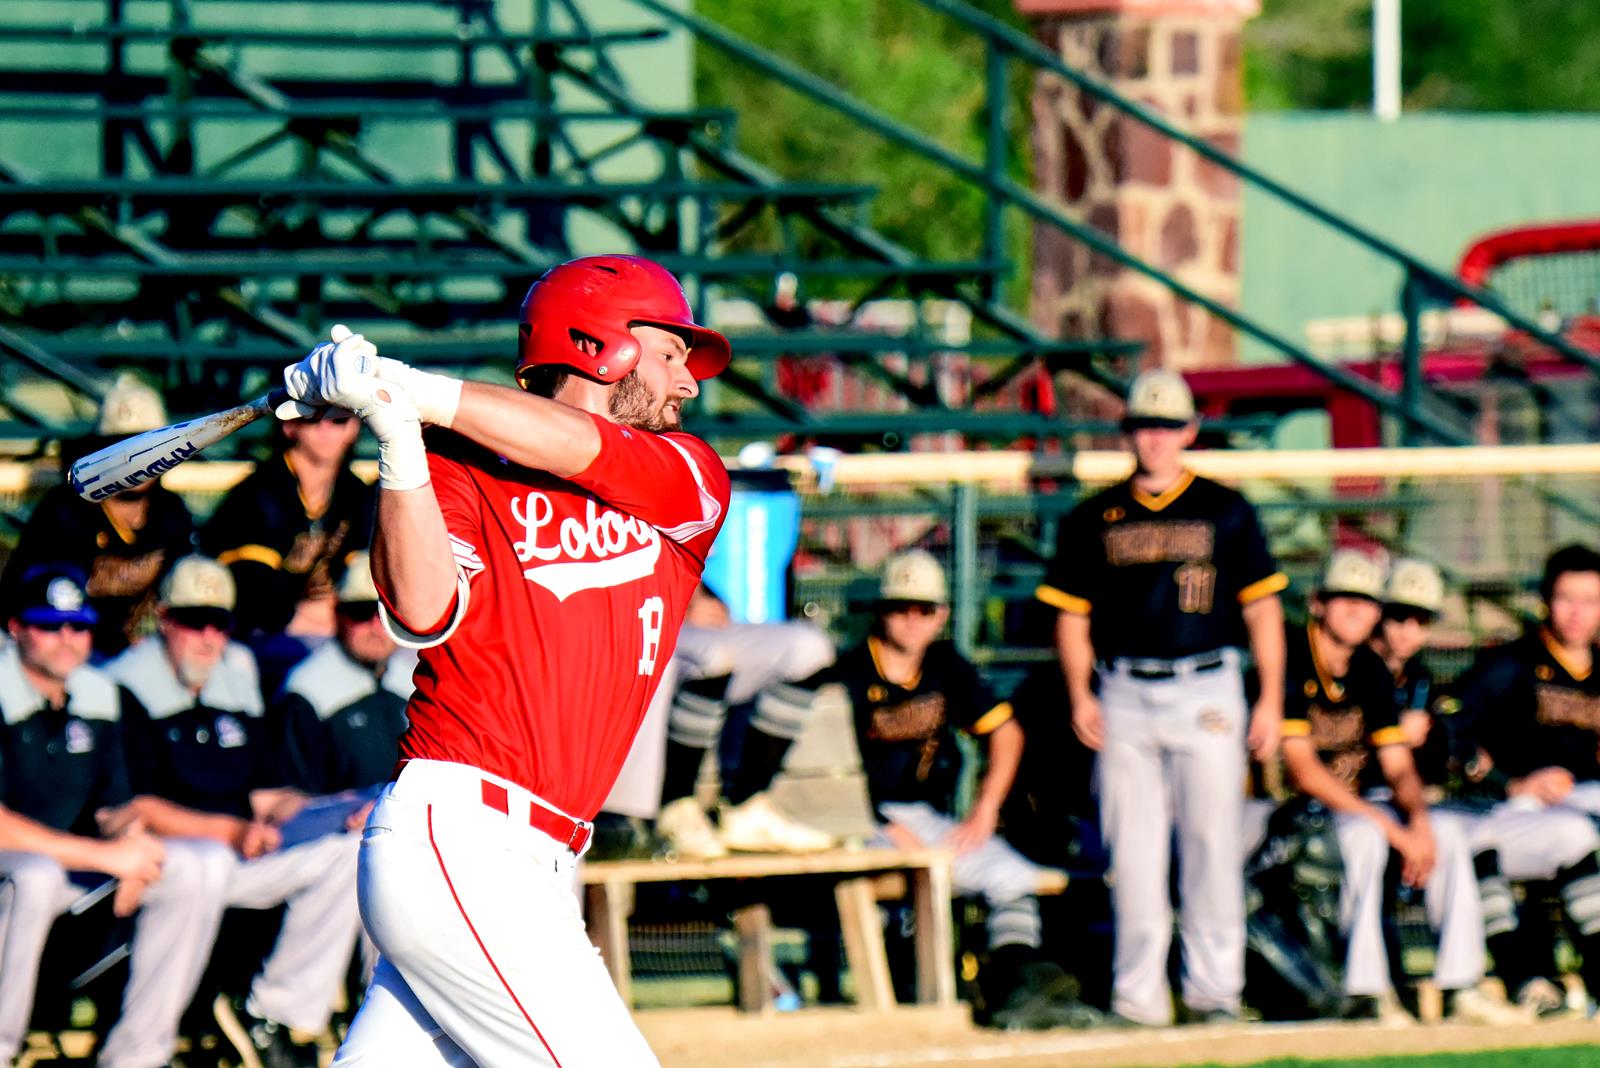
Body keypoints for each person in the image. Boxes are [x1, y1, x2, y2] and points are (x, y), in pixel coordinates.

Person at [280, 254, 733, 1066]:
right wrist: (401, 446)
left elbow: (578, 446)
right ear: (603, 347)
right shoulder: (457, 465)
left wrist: (412, 389)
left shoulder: (689, 475)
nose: (688, 381)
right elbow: (419, 609)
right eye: (670, 354)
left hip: (542, 858)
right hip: (460, 836)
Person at [1038, 368, 1287, 1026]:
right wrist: (1080, 693)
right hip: (1124, 688)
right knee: (1135, 854)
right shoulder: (1093, 515)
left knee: (1211, 844)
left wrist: (1269, 701)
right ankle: (1138, 1000)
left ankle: (1214, 993)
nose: (1155, 438)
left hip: (1205, 685)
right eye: (1144, 425)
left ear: (1190, 431)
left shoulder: (1226, 507)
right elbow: (1072, 617)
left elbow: (1263, 611)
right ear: (1127, 432)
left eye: (1167, 425)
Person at [105, 555, 361, 1068]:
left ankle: (272, 1013)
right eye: (193, 620)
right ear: (163, 617)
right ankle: (136, 1056)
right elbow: (130, 807)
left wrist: (342, 810)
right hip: (164, 856)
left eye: (219, 622)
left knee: (353, 850)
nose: (207, 636)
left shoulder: (233, 676)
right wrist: (230, 830)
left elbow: (270, 795)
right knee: (205, 865)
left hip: (236, 851)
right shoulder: (125, 683)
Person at [824, 550, 1097, 1029]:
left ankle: (1018, 981)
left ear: (941, 616)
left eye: (924, 610)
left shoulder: (946, 665)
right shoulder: (848, 672)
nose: (912, 621)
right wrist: (882, 825)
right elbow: (827, 772)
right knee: (902, 885)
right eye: (900, 607)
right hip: (855, 817)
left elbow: (1006, 732)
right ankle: (905, 992)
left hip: (924, 816)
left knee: (1011, 873)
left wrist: (985, 810)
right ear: (881, 611)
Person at [0, 565, 230, 1068]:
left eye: (78, 626)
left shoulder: (97, 691)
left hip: (71, 870)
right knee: (33, 877)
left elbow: (114, 804)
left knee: (198, 863)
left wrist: (133, 843)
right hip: (20, 870)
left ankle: (139, 1056)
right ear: (15, 627)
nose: (66, 639)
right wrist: (107, 856)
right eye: (48, 625)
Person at [1278, 550, 1519, 1025]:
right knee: (1368, 837)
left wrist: (1420, 824)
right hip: (1287, 812)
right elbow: (1302, 773)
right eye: (1343, 597)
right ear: (1317, 603)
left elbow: (1397, 765)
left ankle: (1460, 983)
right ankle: (1368, 991)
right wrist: (1396, 832)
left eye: (1366, 600)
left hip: (1352, 807)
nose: (1356, 609)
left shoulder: (1367, 668)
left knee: (1447, 835)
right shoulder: (1291, 656)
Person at [1453, 544, 1600, 1013]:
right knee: (1572, 839)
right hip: (1511, 812)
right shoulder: (1511, 666)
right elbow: (1451, 730)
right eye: (1566, 598)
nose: (1577, 613)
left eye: (1591, 600)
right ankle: (1536, 975)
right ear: (1545, 600)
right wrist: (1509, 782)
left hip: (1582, 803)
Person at [0, 375, 196, 657]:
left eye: (150, 446)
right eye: (123, 445)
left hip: (142, 650)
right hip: (68, 646)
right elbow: (40, 599)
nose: (138, 458)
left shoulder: (170, 511)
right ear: (102, 450)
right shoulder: (66, 510)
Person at [651, 583, 836, 859]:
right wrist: (674, 607)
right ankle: (674, 807)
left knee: (810, 648)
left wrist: (706, 596)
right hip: (636, 624)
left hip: (688, 616)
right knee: (713, 654)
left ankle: (744, 804)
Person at [200, 398, 373, 685]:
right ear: (290, 426)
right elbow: (255, 605)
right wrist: (328, 614)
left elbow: (367, 585)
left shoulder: (356, 495)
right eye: (314, 419)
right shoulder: (255, 497)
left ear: (354, 427)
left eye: (340, 420)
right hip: (254, 641)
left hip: (330, 630)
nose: (327, 430)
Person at [278, 551, 416, 796]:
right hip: (341, 828)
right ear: (338, 614)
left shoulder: (412, 680)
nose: (377, 627)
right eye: (362, 612)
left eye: (388, 614)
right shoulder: (306, 691)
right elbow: (293, 799)